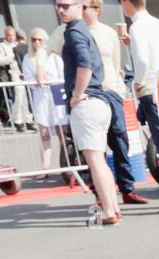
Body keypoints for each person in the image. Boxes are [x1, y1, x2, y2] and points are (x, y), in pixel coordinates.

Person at [58, 0, 121, 223]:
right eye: (58, 6)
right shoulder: (82, 29)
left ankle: (108, 211)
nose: (61, 10)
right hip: (98, 101)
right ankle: (112, 207)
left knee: (95, 160)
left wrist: (76, 95)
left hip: (88, 102)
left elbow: (85, 65)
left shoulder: (75, 32)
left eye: (65, 5)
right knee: (99, 160)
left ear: (80, 6)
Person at [84, 0, 148, 206]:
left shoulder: (108, 32)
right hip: (89, 93)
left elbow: (116, 62)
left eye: (89, 7)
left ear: (97, 9)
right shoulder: (73, 32)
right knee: (95, 145)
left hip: (110, 90)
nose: (85, 11)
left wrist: (117, 89)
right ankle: (100, 193)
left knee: (120, 140)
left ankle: (127, 189)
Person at [123, 0, 159, 200]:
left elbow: (142, 59)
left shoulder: (137, 27)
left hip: (150, 88)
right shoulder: (158, 24)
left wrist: (138, 80)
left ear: (127, 3)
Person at [24, 28, 72, 173]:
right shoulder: (28, 58)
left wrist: (51, 81)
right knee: (44, 132)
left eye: (40, 39)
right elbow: (28, 77)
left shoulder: (54, 57)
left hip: (57, 94)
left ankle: (67, 163)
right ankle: (45, 167)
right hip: (41, 96)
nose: (37, 42)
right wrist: (38, 82)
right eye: (34, 39)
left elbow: (62, 75)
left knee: (62, 131)